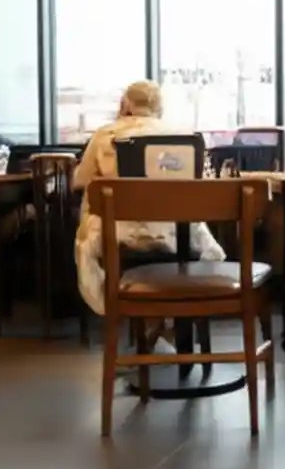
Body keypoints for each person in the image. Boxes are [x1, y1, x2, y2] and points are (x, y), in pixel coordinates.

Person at [72, 81, 226, 345]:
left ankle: (125, 314)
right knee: (201, 247)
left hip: (118, 235)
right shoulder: (182, 136)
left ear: (125, 104)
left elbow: (80, 182)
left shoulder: (104, 135)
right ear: (159, 108)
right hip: (177, 233)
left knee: (88, 242)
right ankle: (170, 318)